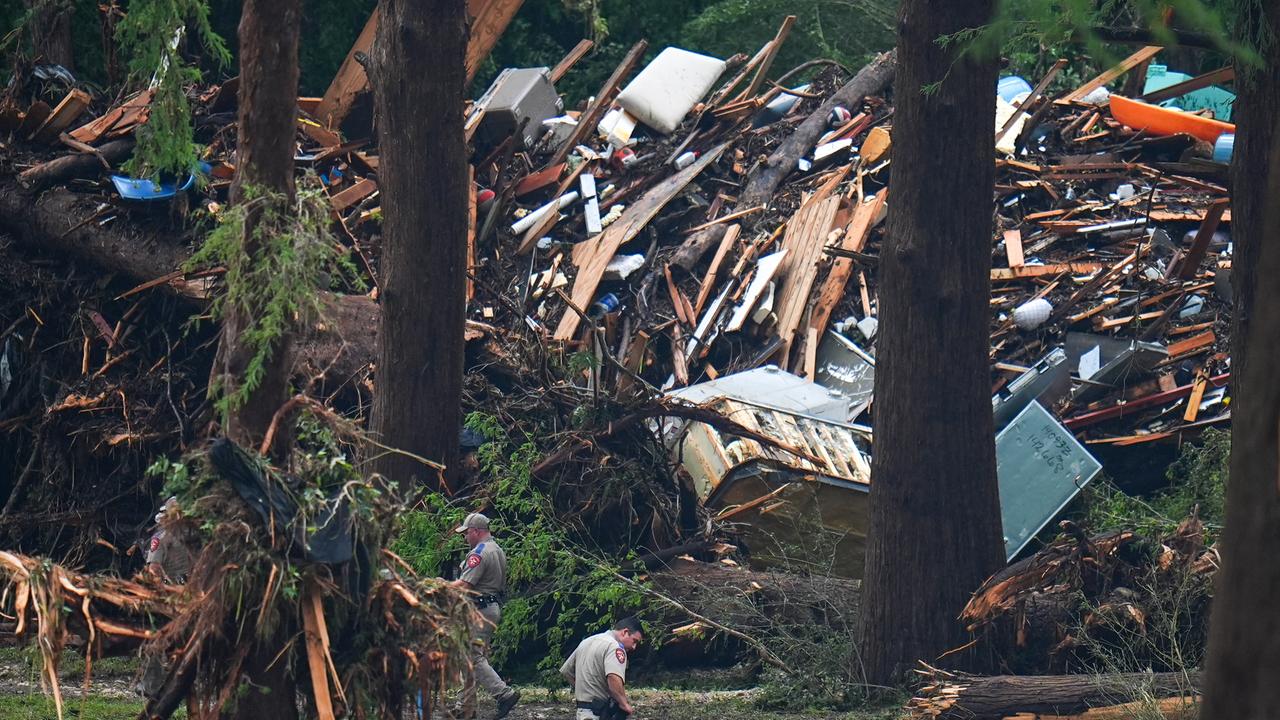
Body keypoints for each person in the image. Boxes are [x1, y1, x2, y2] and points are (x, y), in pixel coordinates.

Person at [451, 512, 520, 719]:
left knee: (472, 656)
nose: (464, 538)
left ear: (475, 531)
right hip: (489, 608)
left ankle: (504, 694)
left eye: (466, 533)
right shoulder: (496, 549)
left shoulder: (479, 552)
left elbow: (464, 585)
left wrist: (439, 586)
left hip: (479, 610)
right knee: (472, 658)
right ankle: (465, 707)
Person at [560, 617, 644, 720]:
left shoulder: (586, 641)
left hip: (582, 711)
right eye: (634, 641)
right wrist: (623, 703)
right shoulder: (615, 647)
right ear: (625, 632)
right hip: (599, 713)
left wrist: (586, 688)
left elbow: (566, 671)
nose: (634, 647)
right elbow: (613, 677)